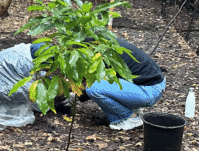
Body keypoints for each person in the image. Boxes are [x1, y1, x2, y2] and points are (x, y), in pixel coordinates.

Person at [32, 36, 166, 131]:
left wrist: (76, 96)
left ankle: (129, 118)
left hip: (149, 90)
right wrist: (75, 96)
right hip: (147, 85)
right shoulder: (88, 44)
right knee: (97, 87)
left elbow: (95, 82)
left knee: (94, 89)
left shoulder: (94, 53)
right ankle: (132, 108)